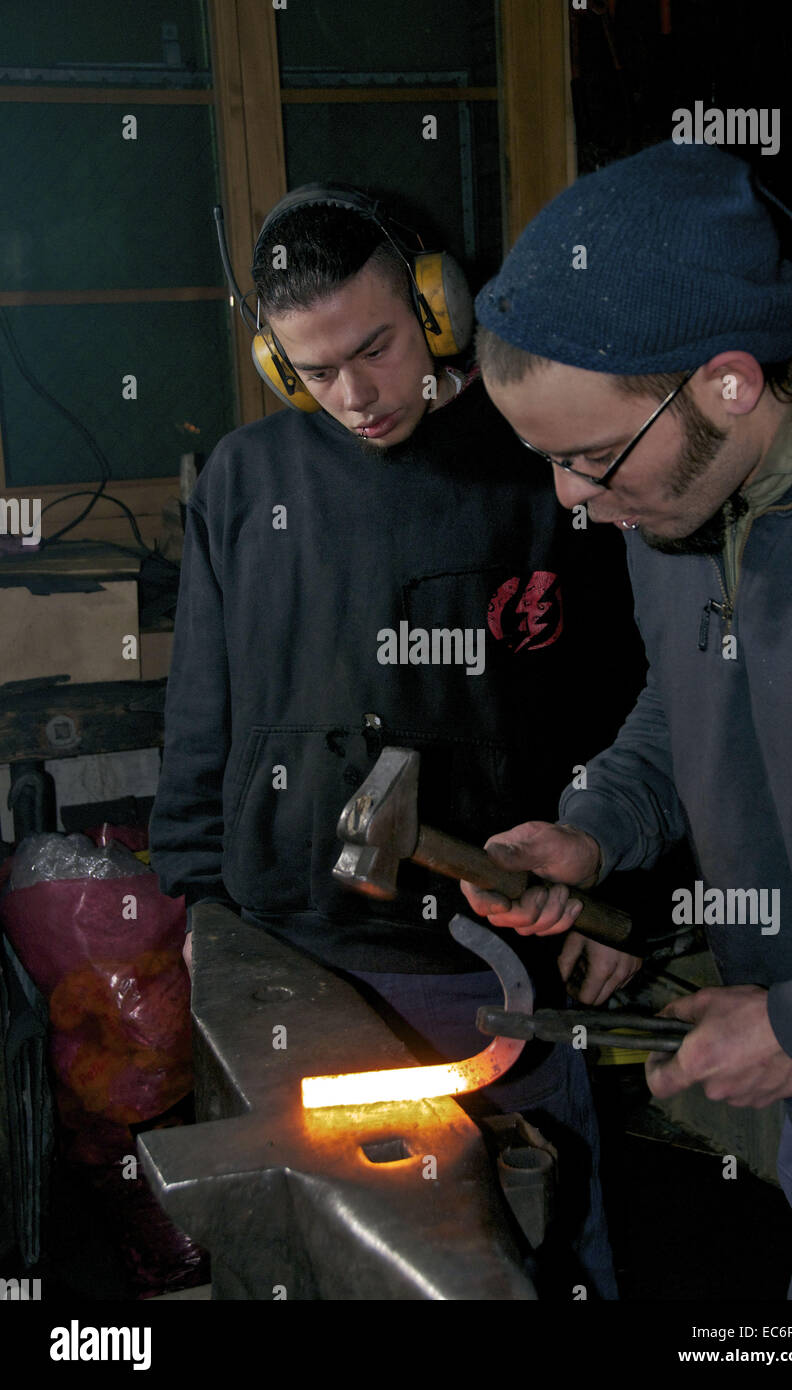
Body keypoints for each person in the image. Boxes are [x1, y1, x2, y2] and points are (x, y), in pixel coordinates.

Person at [149, 185, 647, 1298]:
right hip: (286, 957)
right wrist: (200, 916)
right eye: (313, 370)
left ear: (435, 305)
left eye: (374, 348)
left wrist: (640, 888)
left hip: (485, 964)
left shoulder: (544, 467)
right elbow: (202, 716)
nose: (354, 395)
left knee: (527, 1251)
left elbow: (632, 704)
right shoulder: (243, 480)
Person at [462, 140, 792, 1301]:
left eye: (590, 458)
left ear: (728, 381)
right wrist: (594, 827)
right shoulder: (677, 513)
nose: (570, 504)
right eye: (545, 462)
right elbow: (690, 701)